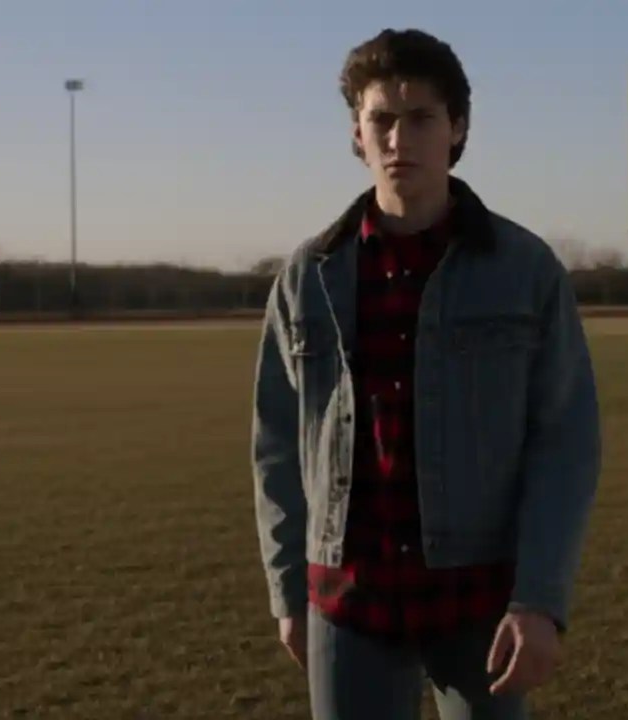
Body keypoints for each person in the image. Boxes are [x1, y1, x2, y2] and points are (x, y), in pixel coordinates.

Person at [251, 27, 601, 720]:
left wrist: (539, 600)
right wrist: (289, 592)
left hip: (479, 603)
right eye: (381, 119)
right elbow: (276, 445)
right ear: (357, 132)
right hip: (349, 601)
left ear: (458, 129)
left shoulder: (524, 271)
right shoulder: (308, 276)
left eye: (421, 119)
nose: (398, 139)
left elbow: (565, 443)